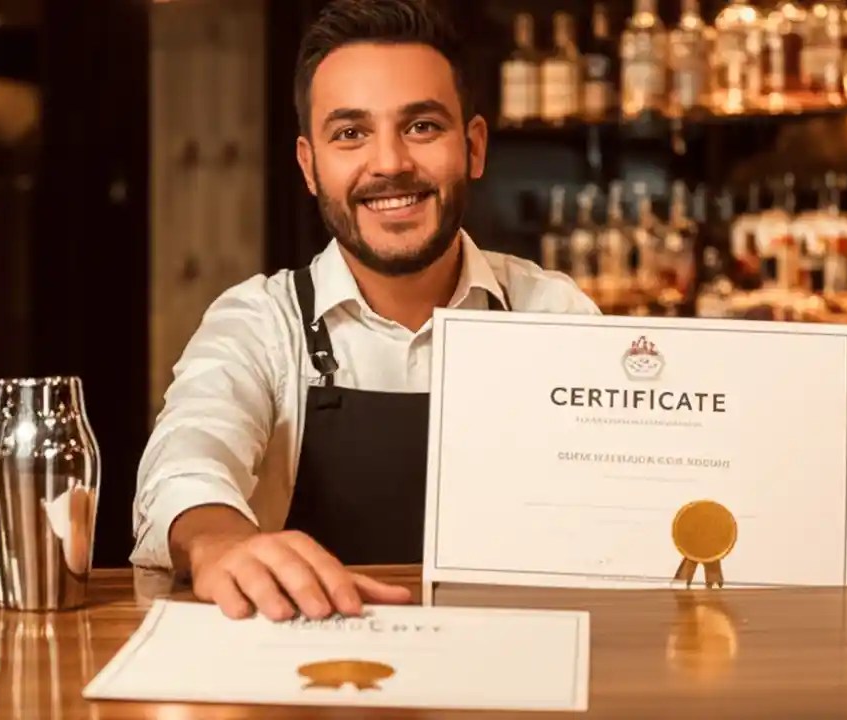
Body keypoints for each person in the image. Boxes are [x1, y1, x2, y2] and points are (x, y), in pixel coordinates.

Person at [130, 0, 600, 621]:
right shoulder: (262, 323)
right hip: (308, 684)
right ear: (309, 166)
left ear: (475, 147)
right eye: (350, 133)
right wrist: (221, 540)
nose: (389, 163)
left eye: (422, 127)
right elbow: (187, 458)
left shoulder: (553, 314)